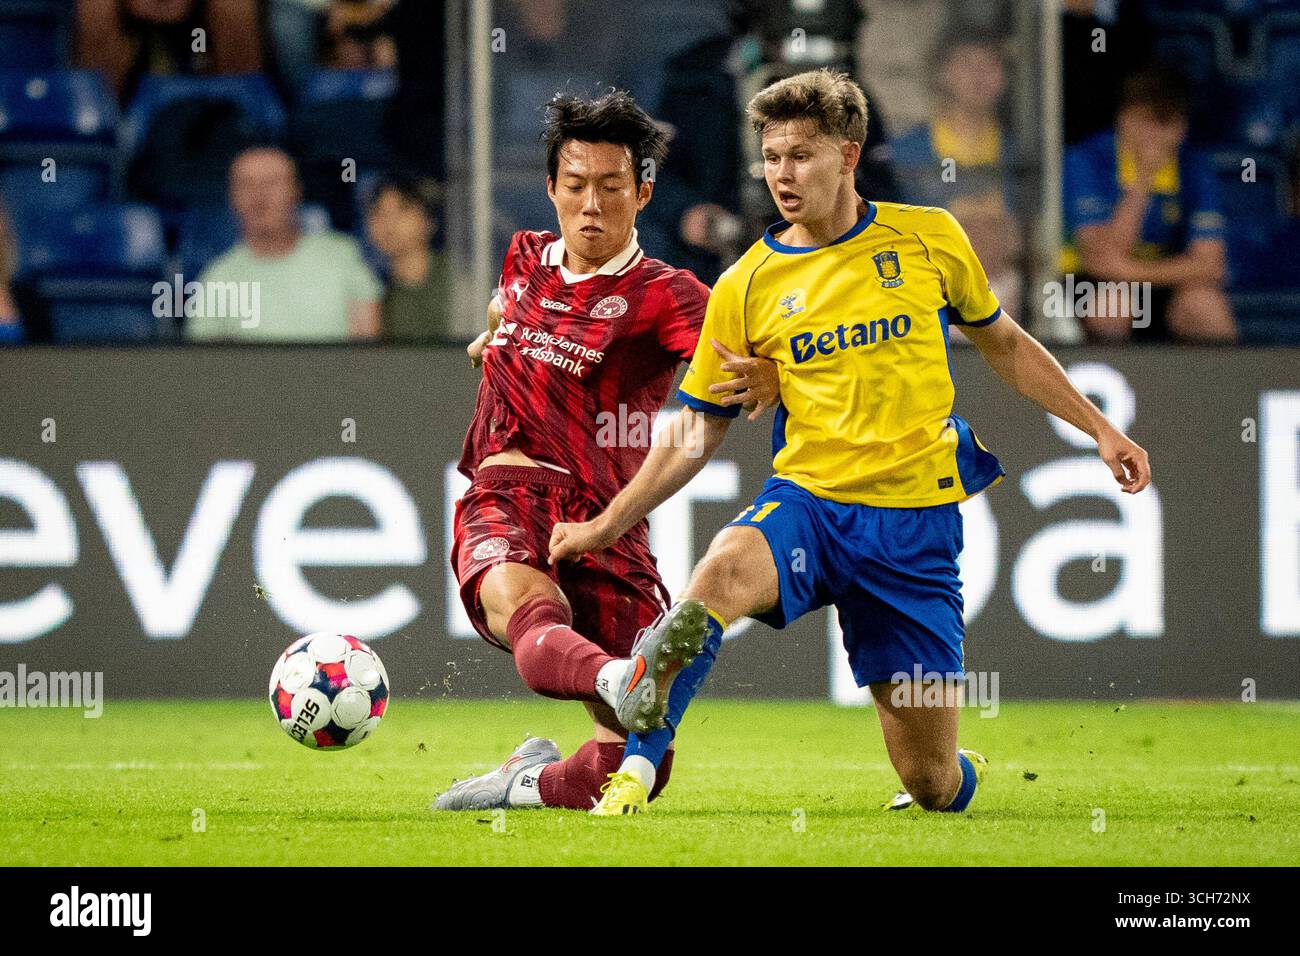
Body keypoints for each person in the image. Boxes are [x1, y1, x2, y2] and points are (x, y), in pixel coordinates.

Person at [548, 69, 1153, 816]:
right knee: (716, 579)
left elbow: (1003, 342)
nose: (782, 175)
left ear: (849, 154)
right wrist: (609, 523)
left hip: (915, 528)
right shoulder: (746, 284)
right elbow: (699, 422)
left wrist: (1100, 428)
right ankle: (636, 772)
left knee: (931, 785)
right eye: (771, 157)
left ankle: (955, 769)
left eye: (800, 156)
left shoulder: (929, 237)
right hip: (811, 505)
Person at [432, 91, 779, 814]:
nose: (591, 205)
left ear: (643, 192)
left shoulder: (667, 295)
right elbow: (504, 306)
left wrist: (771, 371)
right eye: (576, 185)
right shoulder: (524, 255)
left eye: (612, 187)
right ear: (552, 187)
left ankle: (523, 782)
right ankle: (617, 678)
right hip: (508, 494)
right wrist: (491, 337)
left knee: (629, 769)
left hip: (606, 517)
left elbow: (739, 358)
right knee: (534, 608)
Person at [1064, 64, 1235, 343]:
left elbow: (1210, 265)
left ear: (1181, 129)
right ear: (1123, 118)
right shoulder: (1087, 160)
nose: (1153, 134)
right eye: (1145, 120)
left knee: (1205, 305)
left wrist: (1128, 271)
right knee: (1113, 304)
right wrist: (1143, 179)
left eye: (1164, 123)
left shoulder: (1194, 167)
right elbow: (1100, 260)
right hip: (1087, 285)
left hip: (1162, 284)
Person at [186, 147, 381, 342]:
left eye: (272, 183)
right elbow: (203, 358)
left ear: (297, 191)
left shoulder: (343, 256)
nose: (259, 197)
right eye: (246, 185)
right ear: (232, 197)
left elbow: (369, 347)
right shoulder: (217, 279)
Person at [365, 173, 451, 342]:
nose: (388, 223)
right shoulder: (377, 294)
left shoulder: (458, 275)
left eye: (402, 210)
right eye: (378, 212)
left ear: (429, 220)